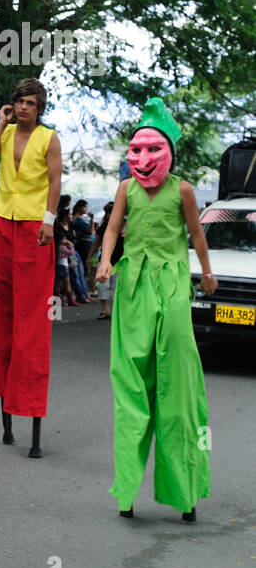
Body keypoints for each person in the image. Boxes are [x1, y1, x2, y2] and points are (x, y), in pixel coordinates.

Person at [97, 98, 213, 521]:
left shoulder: (182, 189)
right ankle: (127, 491)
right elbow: (112, 229)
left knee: (177, 386)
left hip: (173, 284)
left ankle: (185, 493)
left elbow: (197, 235)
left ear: (168, 154)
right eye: (137, 150)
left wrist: (207, 272)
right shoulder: (125, 189)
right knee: (131, 388)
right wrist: (106, 260)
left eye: (153, 150)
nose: (143, 159)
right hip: (133, 287)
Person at [0, 79, 62, 457]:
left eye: (30, 103)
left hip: (33, 228)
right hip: (2, 226)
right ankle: (6, 406)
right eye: (18, 102)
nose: (23, 107)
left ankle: (31, 412)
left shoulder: (49, 138)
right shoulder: (7, 133)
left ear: (39, 108)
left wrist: (49, 220)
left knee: (31, 320)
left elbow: (56, 181)